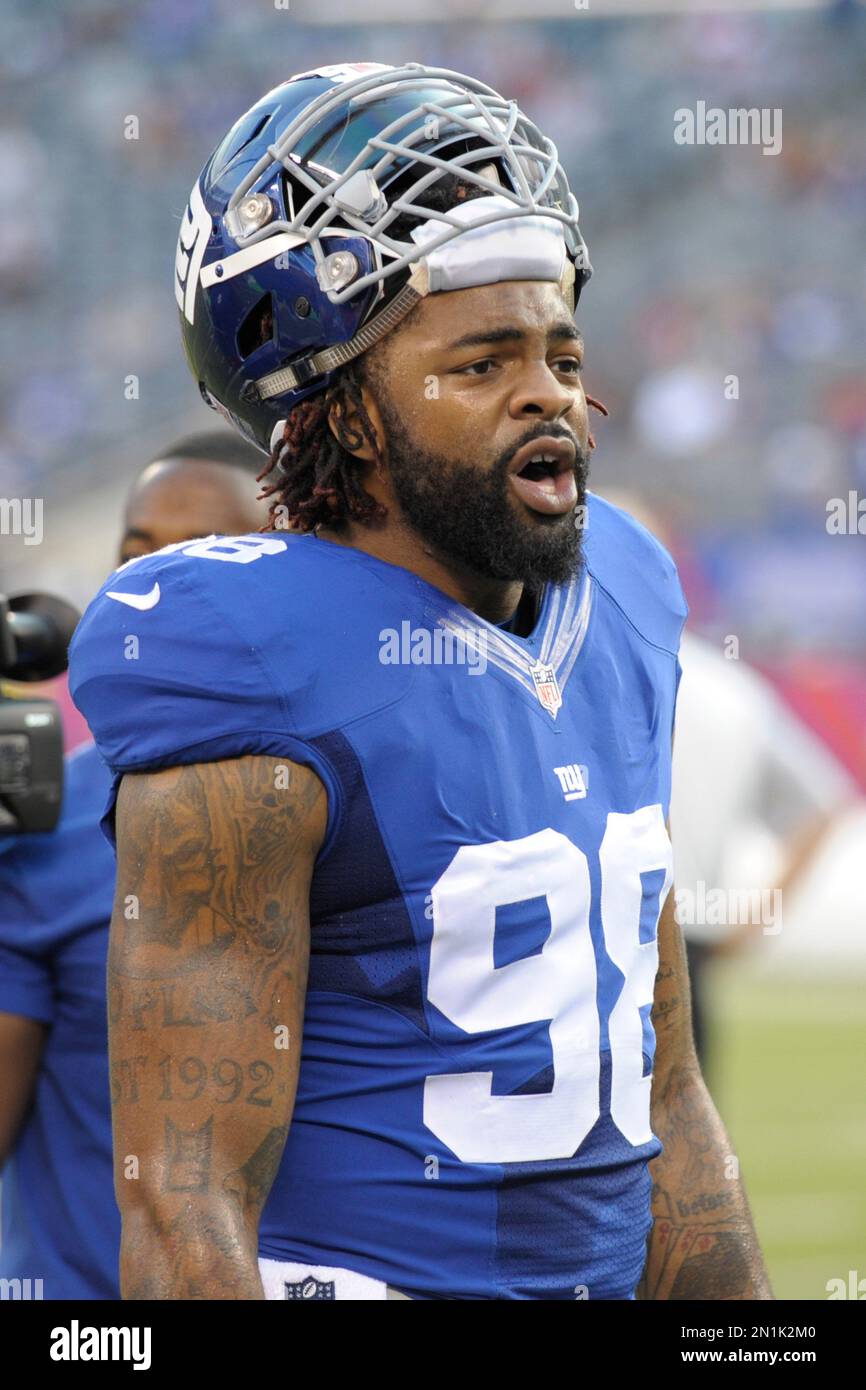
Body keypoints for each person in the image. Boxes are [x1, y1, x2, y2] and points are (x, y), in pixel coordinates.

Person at [70, 62, 772, 1300]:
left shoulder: (622, 591)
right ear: (342, 417)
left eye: (558, 349)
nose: (547, 391)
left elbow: (665, 1088)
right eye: (479, 363)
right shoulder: (249, 655)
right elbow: (186, 1200)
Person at [0, 430, 270, 1299]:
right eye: (134, 555)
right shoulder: (42, 816)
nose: (149, 592)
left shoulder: (379, 797)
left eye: (202, 561)